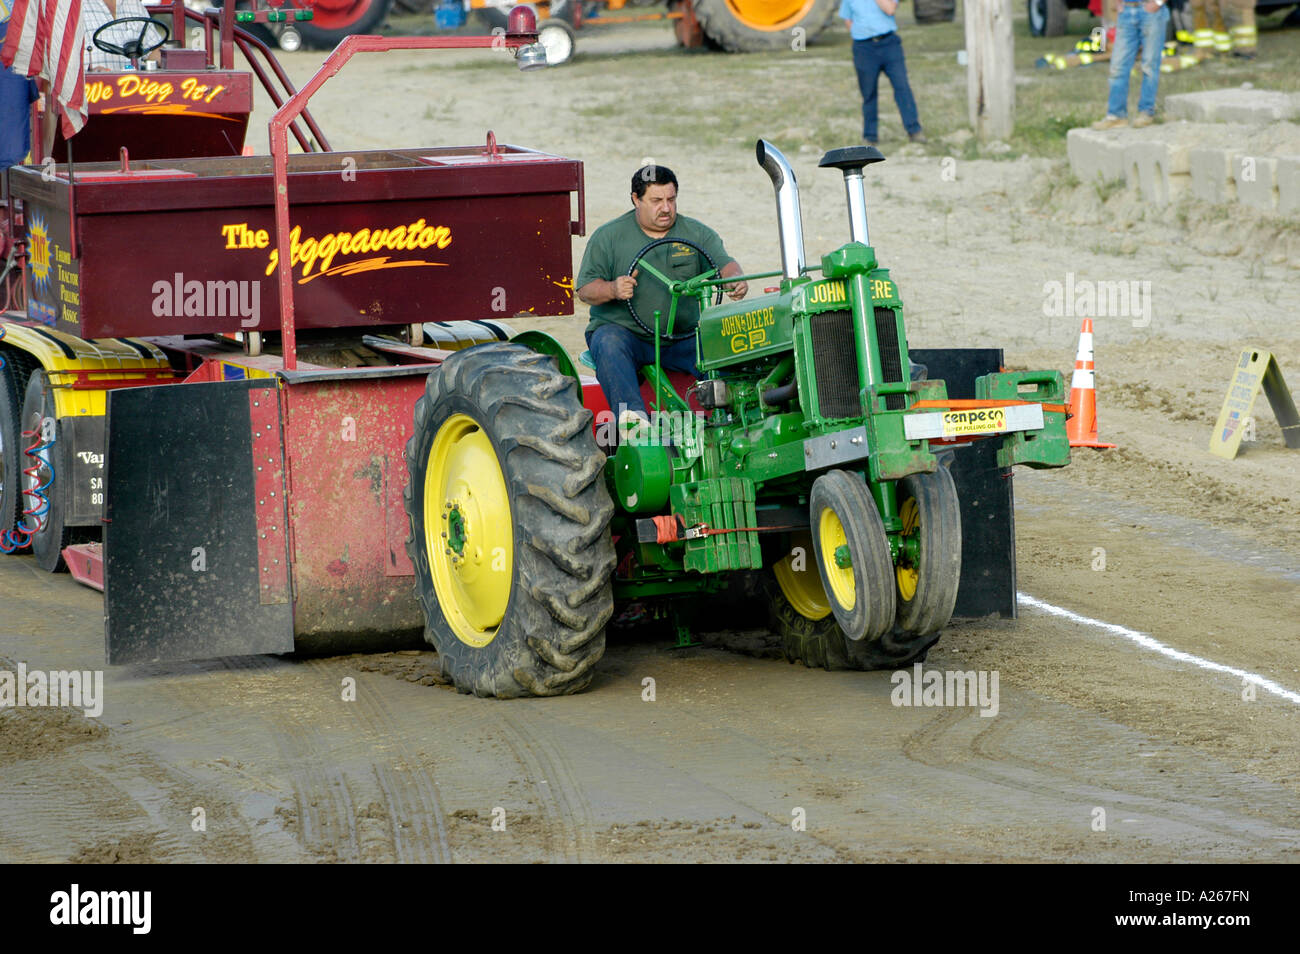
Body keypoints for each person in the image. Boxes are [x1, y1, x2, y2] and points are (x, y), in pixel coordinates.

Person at [576, 165, 747, 439]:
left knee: (724, 344)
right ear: (636, 199)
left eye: (671, 199)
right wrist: (612, 288)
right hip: (628, 335)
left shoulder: (696, 233)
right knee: (608, 342)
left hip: (683, 338)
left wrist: (734, 279)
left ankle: (733, 421)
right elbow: (585, 289)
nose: (666, 208)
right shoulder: (609, 237)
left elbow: (725, 264)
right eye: (656, 201)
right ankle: (633, 425)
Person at [839, 0, 925, 147]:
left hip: (888, 44)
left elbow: (890, 9)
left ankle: (914, 130)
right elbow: (848, 19)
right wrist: (861, 32)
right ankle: (870, 137)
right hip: (864, 48)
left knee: (902, 87)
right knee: (869, 93)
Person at [1091, 0, 1170, 129]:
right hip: (1126, 11)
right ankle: (1116, 115)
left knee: (1149, 66)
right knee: (1118, 67)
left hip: (1151, 12)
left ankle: (1146, 112)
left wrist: (1157, 3)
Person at [83, 0, 165, 72]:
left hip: (135, 85)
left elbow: (154, 49)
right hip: (96, 86)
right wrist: (89, 73)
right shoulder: (76, 6)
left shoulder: (134, 4)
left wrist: (171, 59)